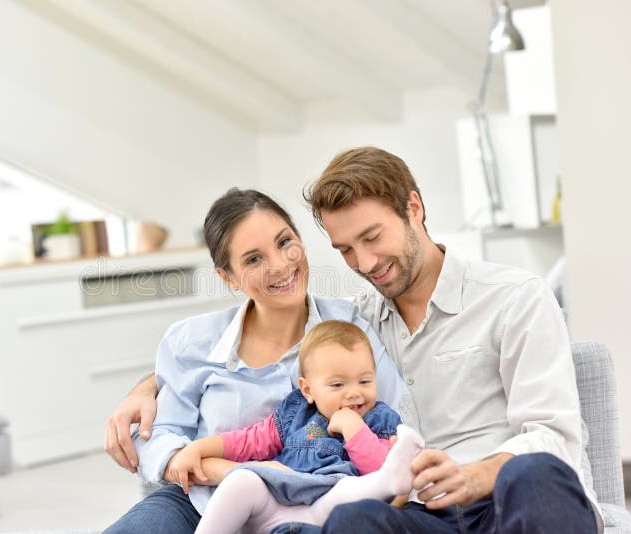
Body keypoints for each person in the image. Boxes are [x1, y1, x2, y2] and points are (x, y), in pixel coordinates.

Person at [105, 147, 602, 533]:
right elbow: (225, 363)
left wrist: (476, 474)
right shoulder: (358, 322)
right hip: (425, 514)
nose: (364, 265)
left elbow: (555, 437)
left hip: (508, 501)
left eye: (372, 237)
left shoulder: (514, 298)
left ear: (414, 208)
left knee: (529, 472)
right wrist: (148, 386)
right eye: (345, 249)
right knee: (352, 523)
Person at [102, 188, 410, 534]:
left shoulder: (349, 327)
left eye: (284, 242)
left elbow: (398, 422)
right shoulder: (191, 341)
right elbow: (161, 438)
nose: (280, 265)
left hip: (316, 506)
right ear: (228, 278)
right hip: (202, 501)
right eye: (253, 259)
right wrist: (230, 471)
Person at [173, 320, 425, 534]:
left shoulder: (379, 420)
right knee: (242, 479)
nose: (354, 393)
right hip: (275, 505)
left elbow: (379, 467)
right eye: (338, 385)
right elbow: (247, 441)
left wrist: (355, 430)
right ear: (307, 390)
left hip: (326, 512)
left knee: (351, 491)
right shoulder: (296, 414)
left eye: (365, 380)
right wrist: (199, 447)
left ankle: (392, 479)